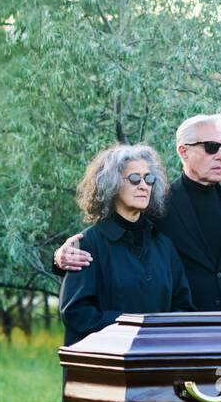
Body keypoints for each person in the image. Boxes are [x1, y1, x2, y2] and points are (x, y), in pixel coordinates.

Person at [54, 114, 221, 311]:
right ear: (183, 151)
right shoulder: (155, 203)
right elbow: (111, 240)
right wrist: (58, 259)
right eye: (212, 147)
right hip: (179, 335)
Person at [59, 143, 193, 347]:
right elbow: (77, 313)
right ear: (111, 184)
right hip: (105, 365)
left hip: (158, 360)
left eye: (149, 178)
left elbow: (184, 307)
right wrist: (136, 326)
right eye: (134, 178)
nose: (143, 185)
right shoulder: (87, 245)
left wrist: (158, 333)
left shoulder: (164, 245)